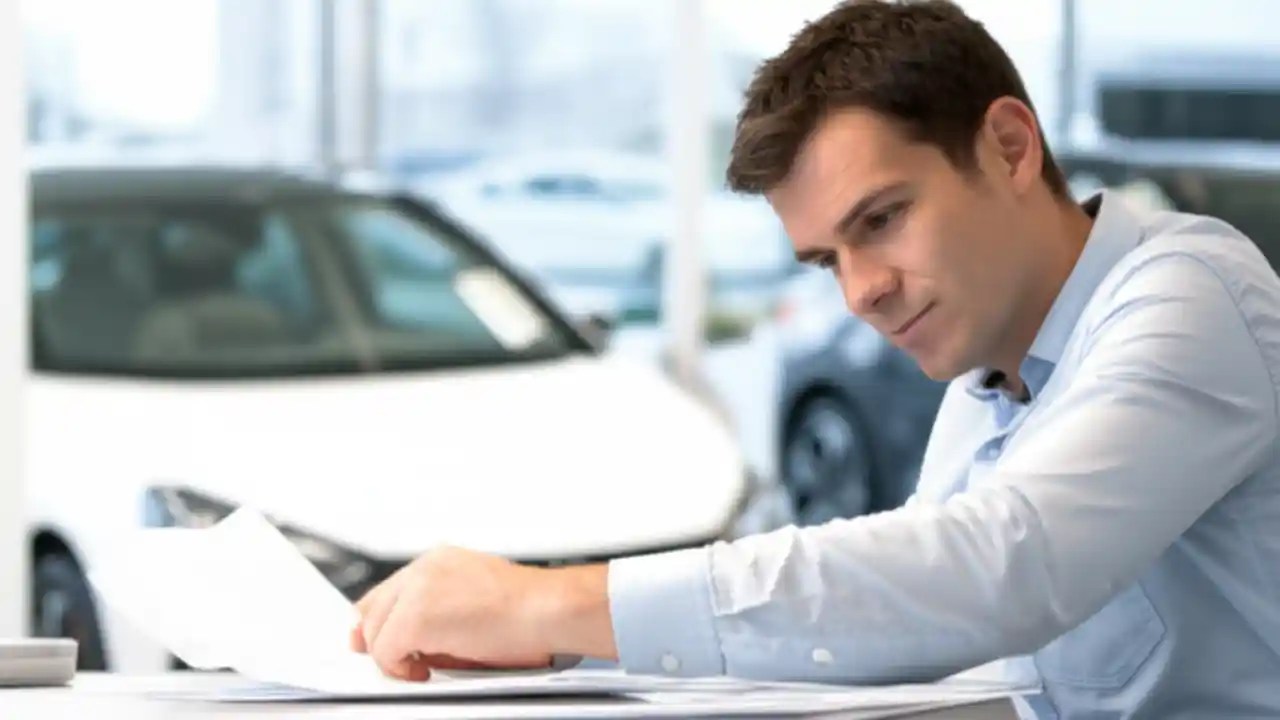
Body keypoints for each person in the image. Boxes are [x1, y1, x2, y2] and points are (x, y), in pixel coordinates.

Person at [350, 1, 1280, 716]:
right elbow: (909, 618)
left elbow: (993, 573)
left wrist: (554, 603)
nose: (860, 291)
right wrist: (557, 649)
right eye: (826, 258)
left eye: (881, 221)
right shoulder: (994, 381)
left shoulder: (1192, 290)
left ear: (1007, 146)